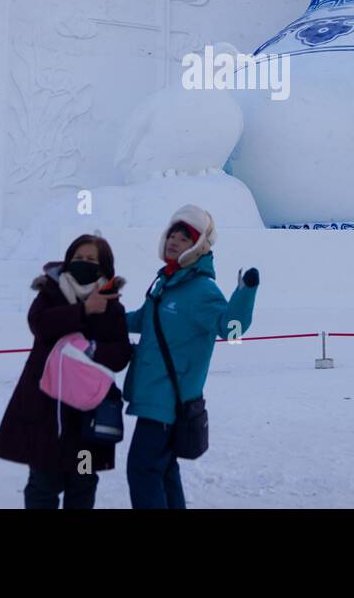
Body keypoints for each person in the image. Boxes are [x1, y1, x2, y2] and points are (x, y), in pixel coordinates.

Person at [123, 205, 259, 509]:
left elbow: (231, 329)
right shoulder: (165, 284)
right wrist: (102, 314)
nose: (174, 240)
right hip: (153, 397)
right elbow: (142, 320)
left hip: (169, 403)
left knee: (143, 471)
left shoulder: (201, 290)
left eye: (185, 237)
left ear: (199, 247)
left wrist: (245, 292)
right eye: (173, 233)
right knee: (165, 472)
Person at [0, 234, 131, 509]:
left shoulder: (112, 305)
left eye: (91, 259)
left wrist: (92, 349)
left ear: (104, 267)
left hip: (88, 418)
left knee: (82, 483)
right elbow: (39, 325)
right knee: (42, 485)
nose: (84, 262)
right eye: (78, 257)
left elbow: (120, 355)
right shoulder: (50, 293)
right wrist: (83, 310)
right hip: (45, 412)